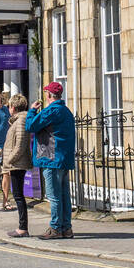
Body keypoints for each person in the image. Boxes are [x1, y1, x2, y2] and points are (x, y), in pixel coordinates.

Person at [25, 82, 76, 240]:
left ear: (48, 95)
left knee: (54, 196)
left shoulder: (52, 110)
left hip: (51, 158)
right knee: (64, 196)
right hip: (63, 158)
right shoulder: (66, 111)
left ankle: (55, 228)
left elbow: (30, 126)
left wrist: (32, 110)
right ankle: (66, 228)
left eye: (46, 92)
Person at [2, 94, 32, 237]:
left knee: (19, 196)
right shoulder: (18, 120)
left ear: (13, 107)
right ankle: (22, 227)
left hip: (17, 163)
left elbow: (20, 144)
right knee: (18, 195)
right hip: (15, 163)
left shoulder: (20, 121)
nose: (8, 108)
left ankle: (23, 228)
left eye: (9, 106)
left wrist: (9, 160)